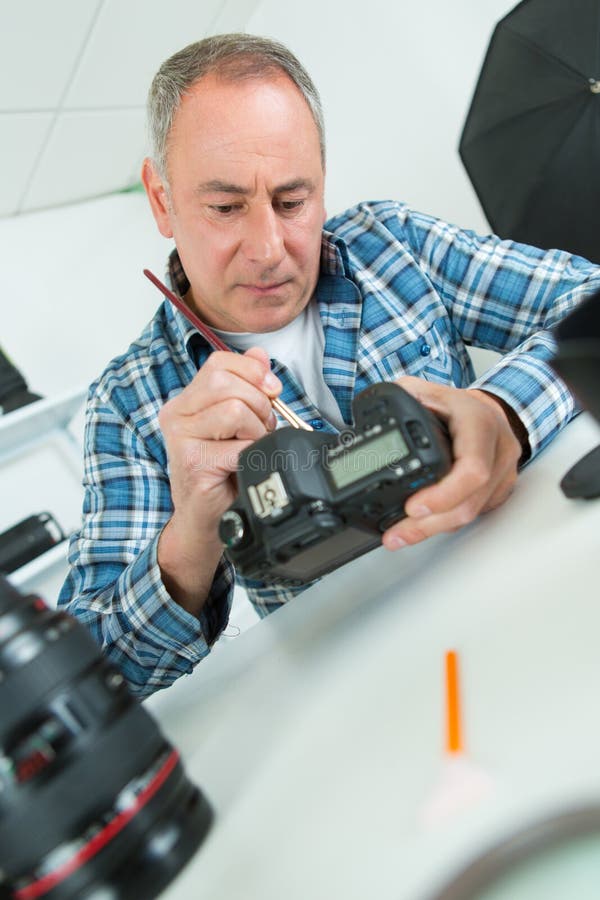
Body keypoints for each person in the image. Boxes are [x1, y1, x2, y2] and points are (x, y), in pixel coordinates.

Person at [58, 33, 600, 697]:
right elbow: (91, 680)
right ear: (162, 199)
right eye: (226, 207)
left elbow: (589, 304)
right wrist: (192, 533)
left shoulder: (392, 244)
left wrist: (503, 413)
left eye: (293, 201)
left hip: (516, 595)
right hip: (360, 696)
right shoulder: (129, 403)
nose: (267, 248)